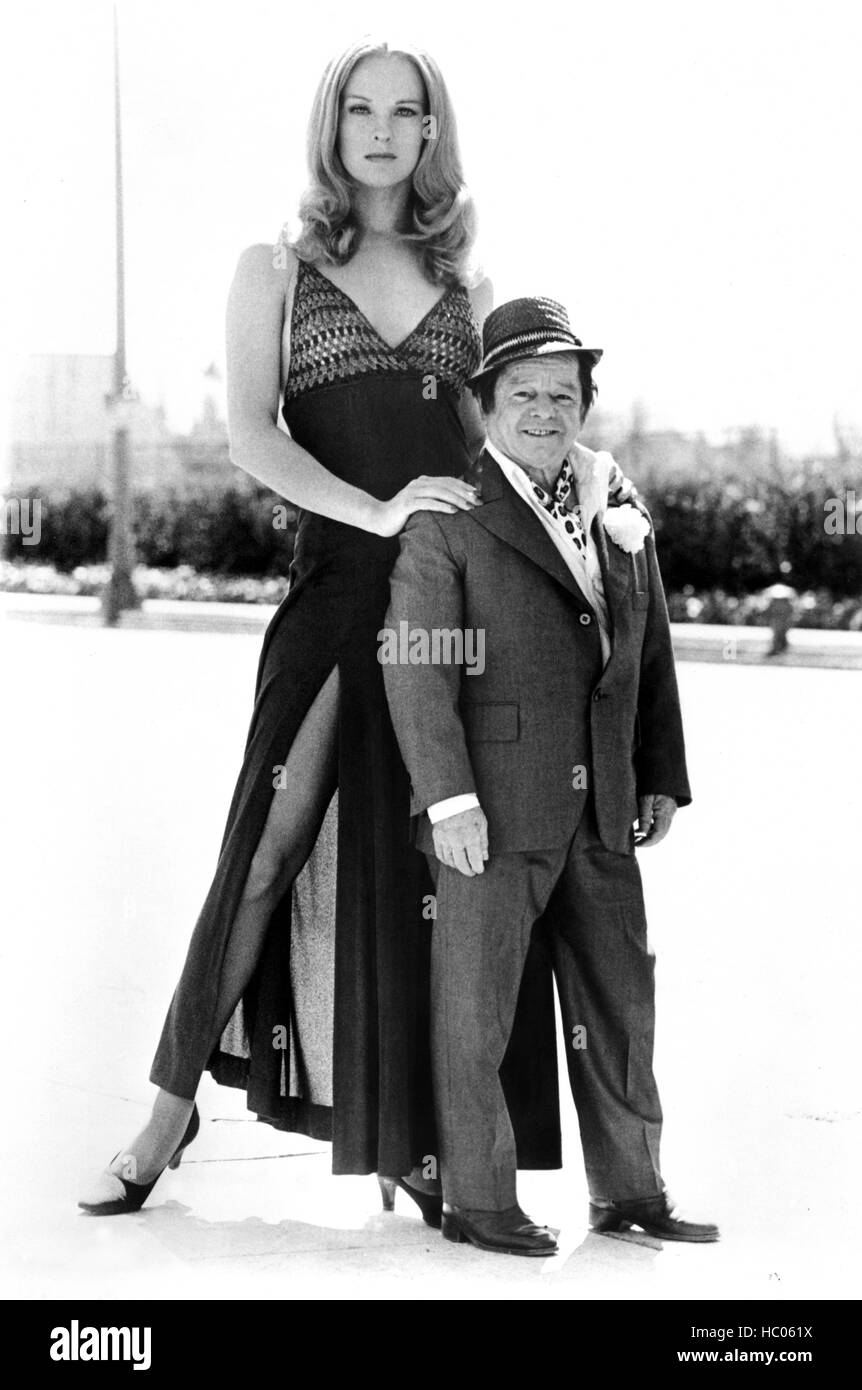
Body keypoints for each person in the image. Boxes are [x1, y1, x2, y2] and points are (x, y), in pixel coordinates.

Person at [79, 41, 619, 1220]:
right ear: (331, 126)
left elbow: (513, 448)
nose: (381, 128)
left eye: (405, 111)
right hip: (331, 599)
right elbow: (250, 435)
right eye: (359, 108)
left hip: (447, 616)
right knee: (266, 849)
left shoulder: (470, 290)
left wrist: (600, 507)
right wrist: (374, 509)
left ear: (433, 133)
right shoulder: (272, 267)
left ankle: (432, 1157)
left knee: (436, 875)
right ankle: (164, 1118)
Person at [382, 296, 720, 1255]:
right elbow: (414, 663)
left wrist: (659, 772)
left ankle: (631, 1191)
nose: (544, 410)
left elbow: (648, 651)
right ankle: (478, 1200)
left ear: (584, 403)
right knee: (476, 1011)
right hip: (489, 807)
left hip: (604, 803)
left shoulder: (617, 501)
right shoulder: (449, 514)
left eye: (562, 393)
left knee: (622, 1004)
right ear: (484, 402)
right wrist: (447, 800)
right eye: (523, 391)